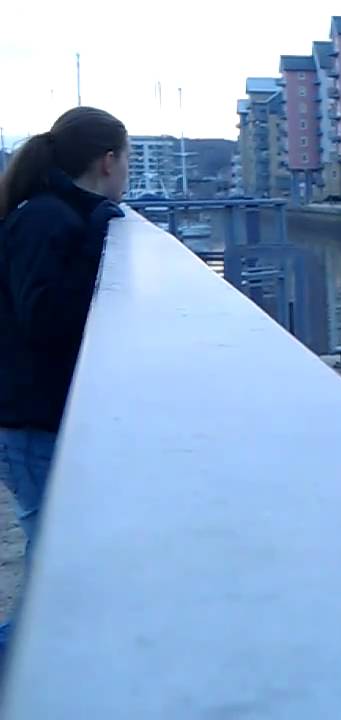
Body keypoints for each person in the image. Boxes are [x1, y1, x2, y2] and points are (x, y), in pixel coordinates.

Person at [0, 107, 129, 655]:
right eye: (125, 159)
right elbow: (45, 318)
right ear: (107, 162)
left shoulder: (54, 213)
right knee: (57, 561)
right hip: (31, 423)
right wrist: (97, 237)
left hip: (38, 417)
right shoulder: (48, 219)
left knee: (55, 557)